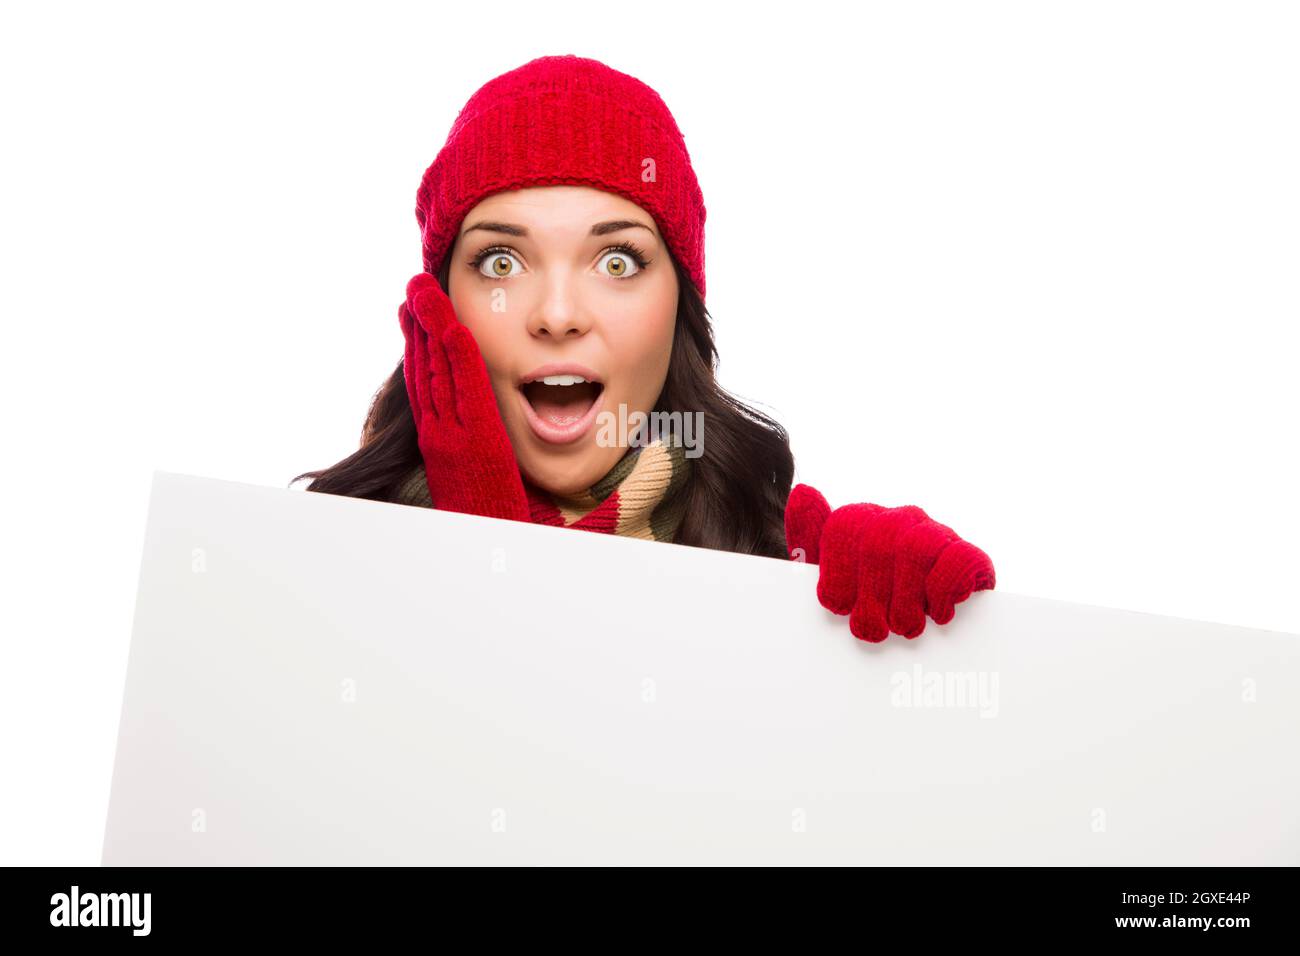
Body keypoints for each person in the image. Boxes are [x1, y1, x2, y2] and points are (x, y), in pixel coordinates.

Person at [295, 54, 995, 643]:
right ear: (440, 305)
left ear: (680, 305)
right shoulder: (311, 562)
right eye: (502, 262)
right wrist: (481, 541)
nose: (559, 314)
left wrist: (920, 643)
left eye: (618, 262)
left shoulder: (767, 558)